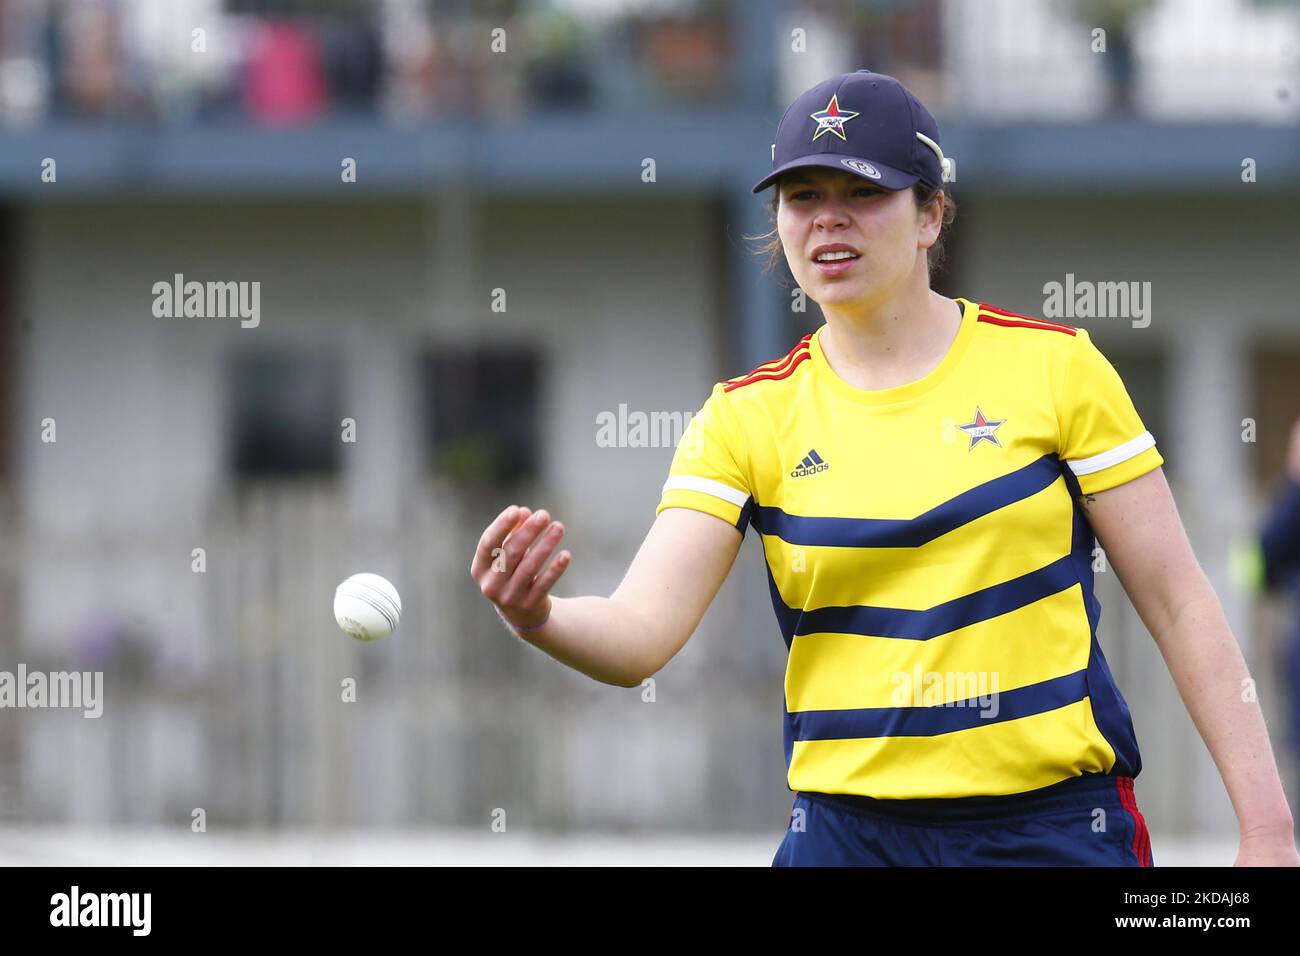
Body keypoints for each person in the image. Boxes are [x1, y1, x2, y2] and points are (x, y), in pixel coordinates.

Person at [469, 70, 1299, 867]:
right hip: (843, 839)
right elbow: (640, 635)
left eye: (863, 193)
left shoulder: (1057, 370)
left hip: (1050, 831)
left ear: (932, 215)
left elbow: (1179, 601)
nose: (830, 221)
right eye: (804, 198)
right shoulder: (745, 417)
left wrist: (1267, 830)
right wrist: (538, 616)